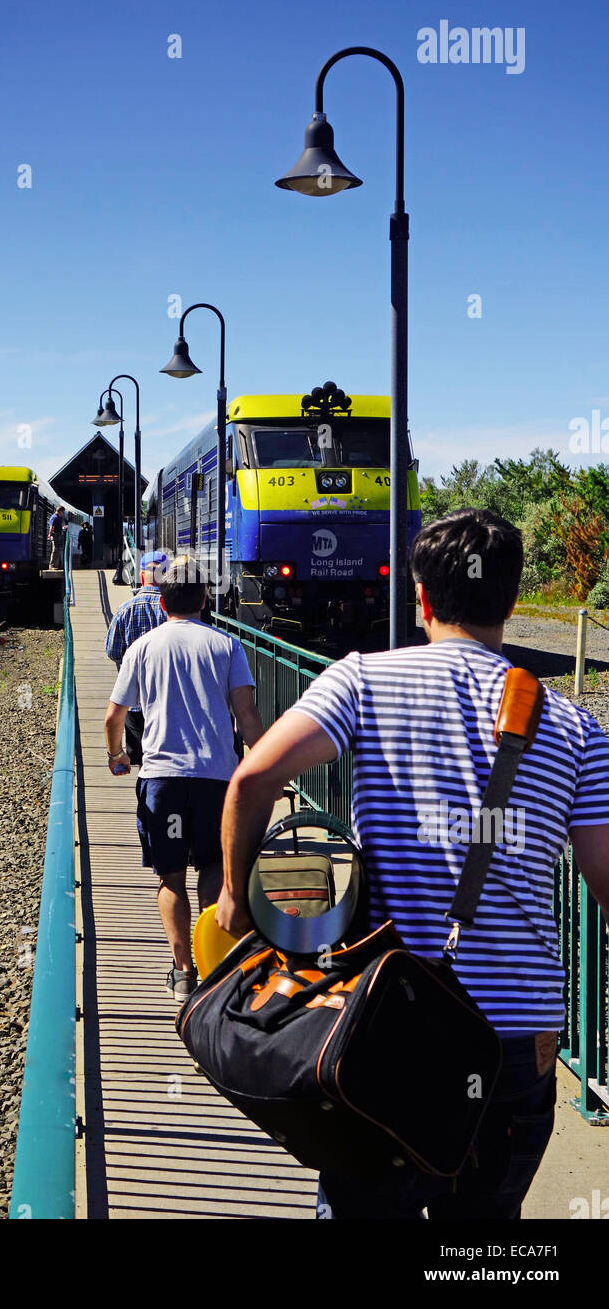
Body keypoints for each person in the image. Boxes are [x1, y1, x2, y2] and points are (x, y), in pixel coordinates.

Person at [216, 508, 609, 1220]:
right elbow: (605, 879)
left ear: (420, 598)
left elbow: (253, 780)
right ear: (513, 602)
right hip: (520, 1039)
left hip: (388, 1023)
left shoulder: (360, 680)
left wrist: (236, 902)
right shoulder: (576, 726)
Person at [105, 556, 265, 1002]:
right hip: (217, 778)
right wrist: (266, 765)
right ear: (205, 599)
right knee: (214, 869)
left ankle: (181, 971)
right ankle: (215, 963)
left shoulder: (142, 647)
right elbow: (247, 717)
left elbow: (113, 716)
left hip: (162, 780)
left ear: (160, 603)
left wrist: (117, 757)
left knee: (170, 877)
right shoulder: (227, 645)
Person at [104, 550, 169, 765]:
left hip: (134, 700)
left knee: (140, 759)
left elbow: (112, 651)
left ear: (141, 577)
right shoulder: (174, 610)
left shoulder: (125, 610)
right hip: (167, 701)